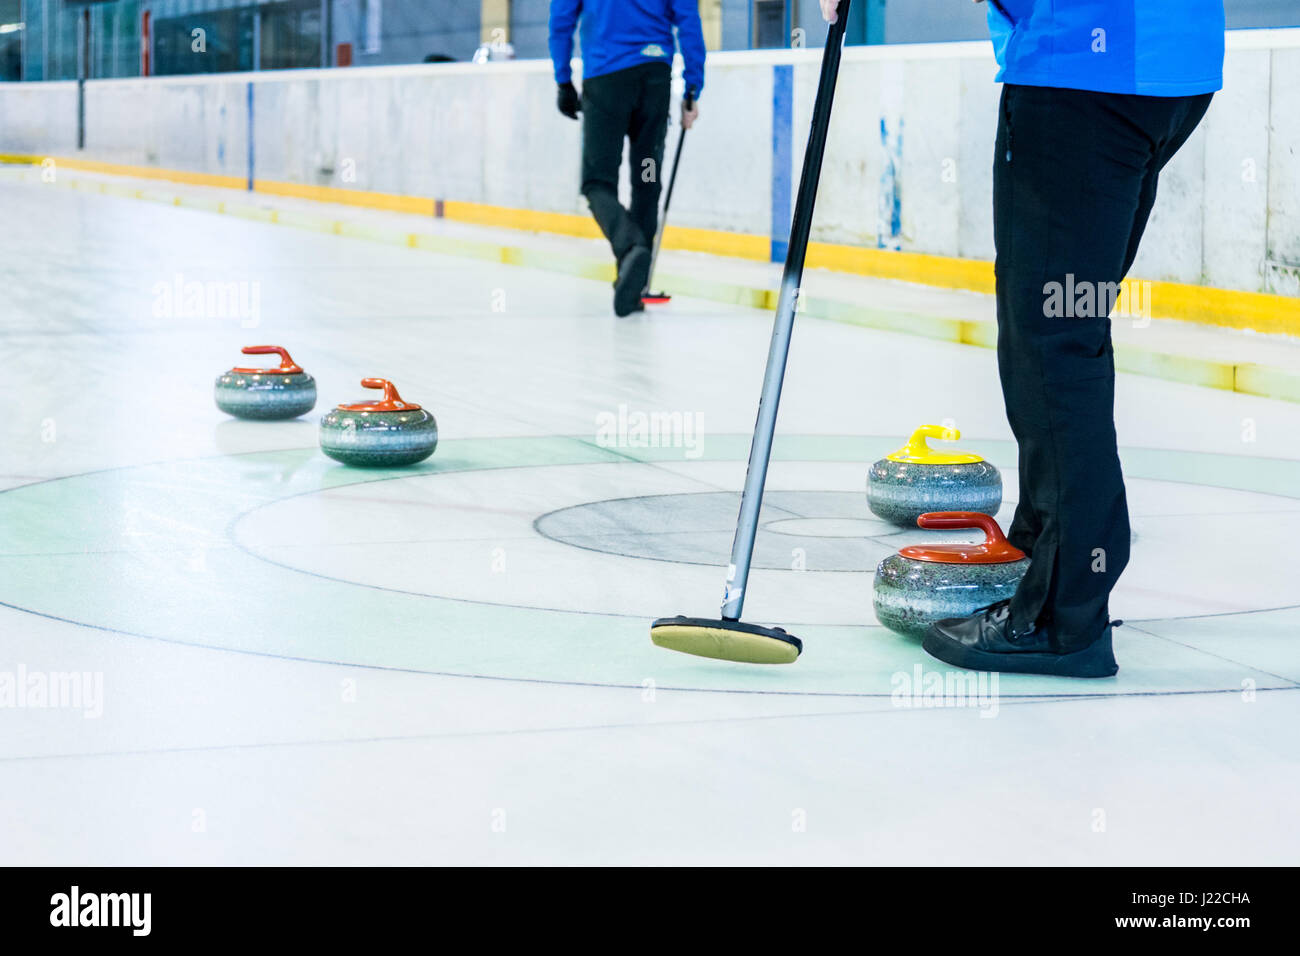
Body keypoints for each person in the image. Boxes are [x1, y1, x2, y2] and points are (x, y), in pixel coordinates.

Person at [820, 0, 1224, 676]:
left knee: (1052, 345)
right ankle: (1042, 551)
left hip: (1084, 73)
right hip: (1170, 67)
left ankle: (1062, 616)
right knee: (1069, 323)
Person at [549, 0, 706, 316]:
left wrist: (563, 79)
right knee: (646, 179)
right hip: (653, 80)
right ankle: (634, 285)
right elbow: (688, 19)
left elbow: (561, 20)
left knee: (598, 181)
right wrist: (692, 87)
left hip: (607, 80)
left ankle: (630, 247)